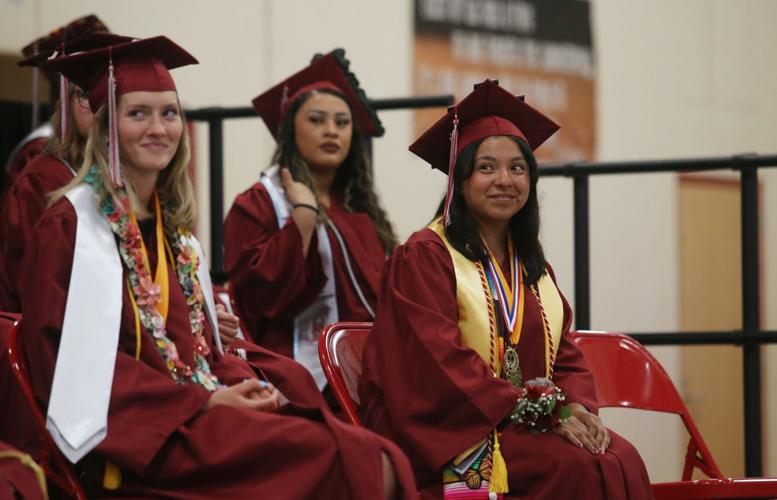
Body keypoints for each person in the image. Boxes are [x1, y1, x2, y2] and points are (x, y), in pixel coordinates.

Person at [21, 36, 416, 498]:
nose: (158, 128)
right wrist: (203, 402)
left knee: (372, 453)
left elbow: (200, 349)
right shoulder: (72, 226)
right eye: (137, 113)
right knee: (359, 464)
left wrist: (241, 387)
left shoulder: (175, 234)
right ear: (107, 127)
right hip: (140, 439)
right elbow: (68, 367)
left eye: (169, 113)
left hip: (198, 415)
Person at [359, 79, 653, 499]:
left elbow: (564, 353)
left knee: (619, 456)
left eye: (518, 168)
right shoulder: (425, 256)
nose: (505, 180)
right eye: (486, 168)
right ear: (459, 182)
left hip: (524, 426)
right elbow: (436, 364)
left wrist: (575, 407)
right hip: (452, 436)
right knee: (572, 466)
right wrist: (537, 410)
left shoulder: (530, 265)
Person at [224, 49, 397, 395]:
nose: (331, 131)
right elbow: (259, 296)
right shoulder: (259, 204)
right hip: (294, 379)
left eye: (342, 122)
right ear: (291, 131)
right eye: (317, 120)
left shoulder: (360, 208)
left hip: (369, 376)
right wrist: (302, 219)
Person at [0, 31, 132, 313]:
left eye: (110, 94)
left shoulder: (132, 177)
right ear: (64, 104)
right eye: (84, 95)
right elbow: (38, 289)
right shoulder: (41, 180)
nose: (99, 106)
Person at [0, 14, 108, 205]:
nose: (97, 102)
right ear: (62, 95)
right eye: (84, 94)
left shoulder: (113, 147)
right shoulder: (39, 151)